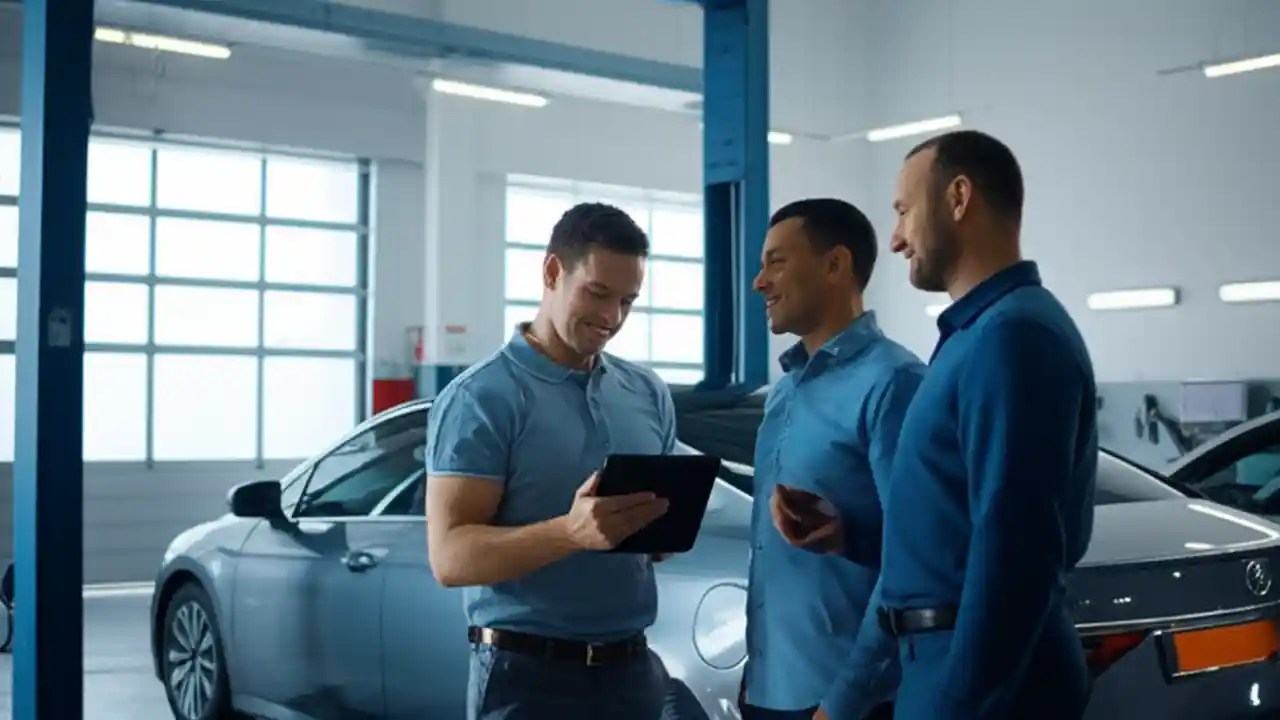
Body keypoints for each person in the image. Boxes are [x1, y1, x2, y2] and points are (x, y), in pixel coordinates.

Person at [424, 202, 691, 720]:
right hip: (526, 677)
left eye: (628, 301)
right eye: (597, 293)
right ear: (552, 271)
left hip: (632, 669)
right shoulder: (481, 397)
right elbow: (450, 557)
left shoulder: (646, 392)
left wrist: (657, 532)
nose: (612, 318)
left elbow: (653, 545)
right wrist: (570, 533)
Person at [868, 129, 1097, 719]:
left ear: (959, 197)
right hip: (942, 666)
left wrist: (960, 706)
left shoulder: (1013, 337)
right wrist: (845, 533)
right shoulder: (977, 335)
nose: (895, 239)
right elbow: (957, 529)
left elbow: (1015, 551)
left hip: (980, 684)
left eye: (902, 212)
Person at [741, 198, 926, 720]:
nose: (760, 281)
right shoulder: (785, 390)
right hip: (770, 689)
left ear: (835, 264)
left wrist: (846, 702)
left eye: (776, 261)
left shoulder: (894, 383)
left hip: (850, 700)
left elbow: (918, 559)